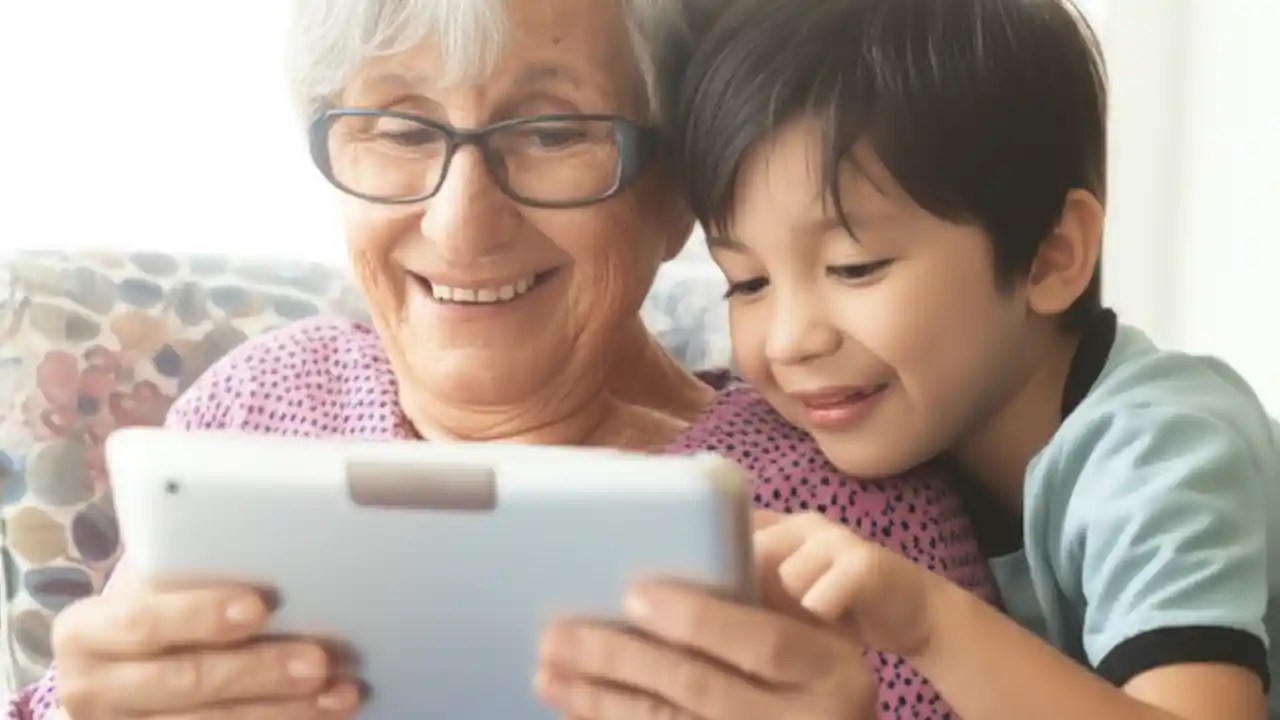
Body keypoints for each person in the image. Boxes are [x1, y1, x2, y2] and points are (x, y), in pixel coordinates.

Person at [6, 1, 1000, 719]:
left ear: (673, 199)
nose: (460, 222)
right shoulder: (255, 406)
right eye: (397, 128)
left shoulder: (856, 518)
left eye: (552, 132)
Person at [671, 0, 1280, 718]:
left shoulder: (1159, 452)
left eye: (855, 266)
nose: (788, 341)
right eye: (749, 282)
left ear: (1051, 256)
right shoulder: (924, 427)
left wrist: (928, 623)